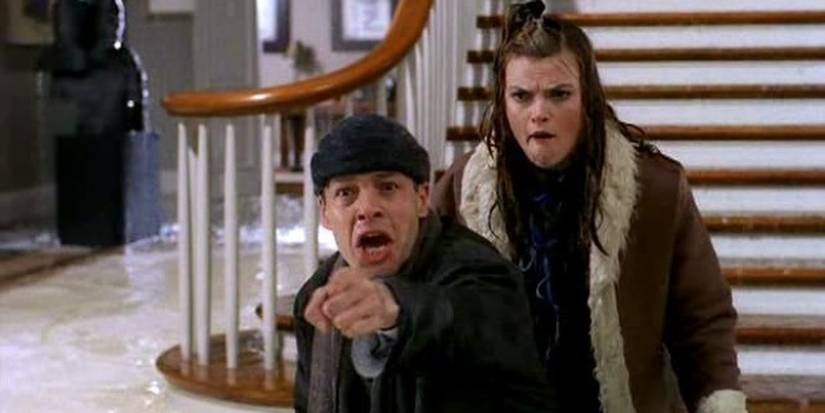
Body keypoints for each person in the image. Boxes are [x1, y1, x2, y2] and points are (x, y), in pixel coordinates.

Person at [431, 2, 745, 412]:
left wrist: (719, 399)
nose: (539, 113)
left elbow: (703, 319)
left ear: (587, 100)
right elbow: (424, 304)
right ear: (503, 104)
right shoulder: (463, 190)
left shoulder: (655, 189)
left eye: (559, 94)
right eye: (521, 96)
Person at [293, 114, 558, 413]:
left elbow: (462, 318)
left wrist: (395, 308)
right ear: (325, 212)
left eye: (387, 187)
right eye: (346, 193)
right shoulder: (317, 299)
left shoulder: (481, 270)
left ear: (422, 198)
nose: (367, 208)